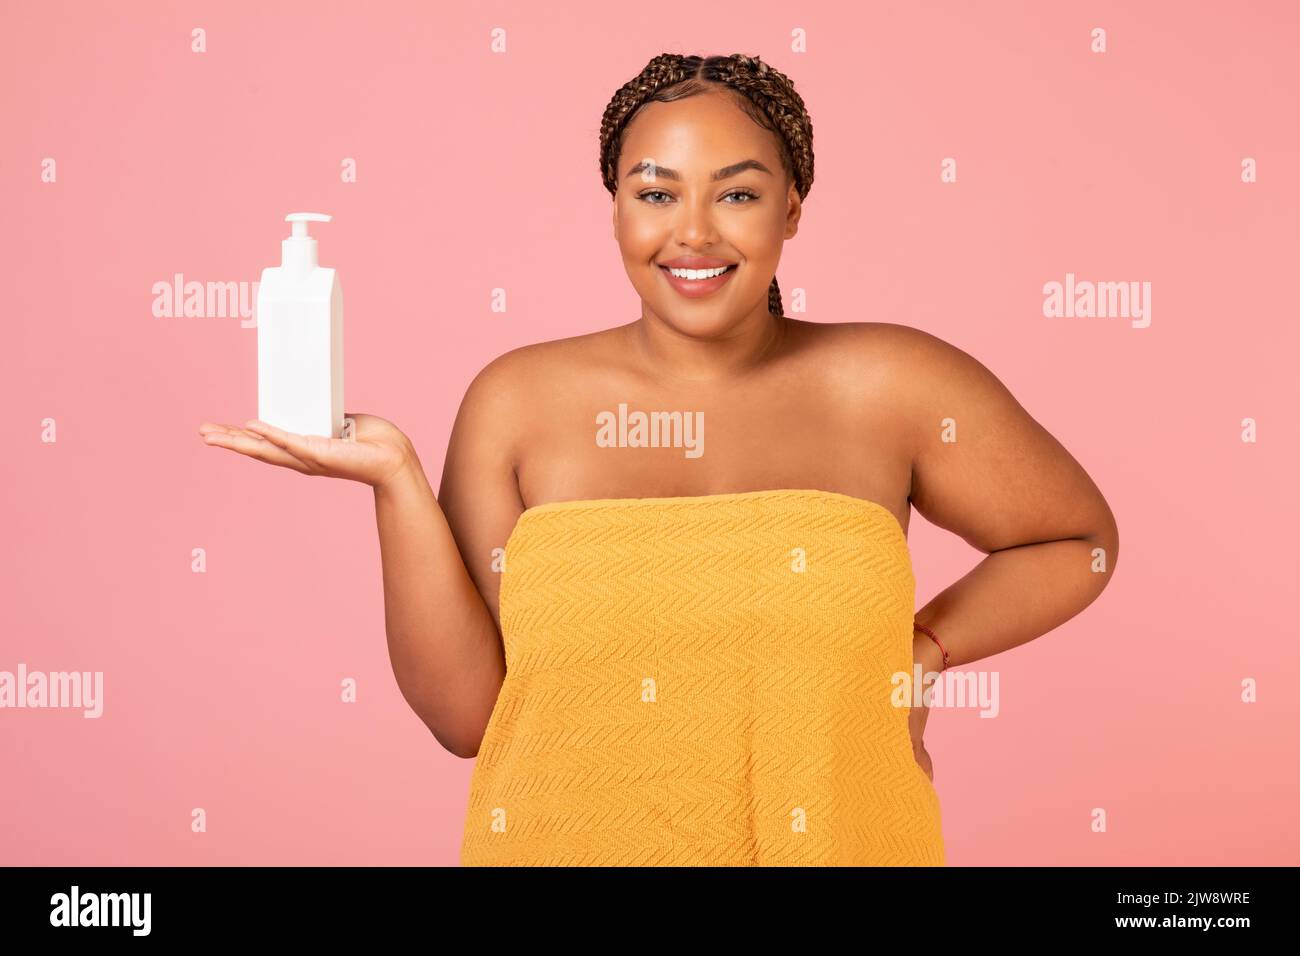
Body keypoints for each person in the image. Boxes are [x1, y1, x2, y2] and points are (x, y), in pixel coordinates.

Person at [200, 53, 1119, 866]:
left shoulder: (893, 383)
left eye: (737, 192)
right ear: (613, 209)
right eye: (655, 192)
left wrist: (923, 646)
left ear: (792, 208)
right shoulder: (517, 402)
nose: (694, 233)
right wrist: (395, 479)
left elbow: (1078, 541)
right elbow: (469, 720)